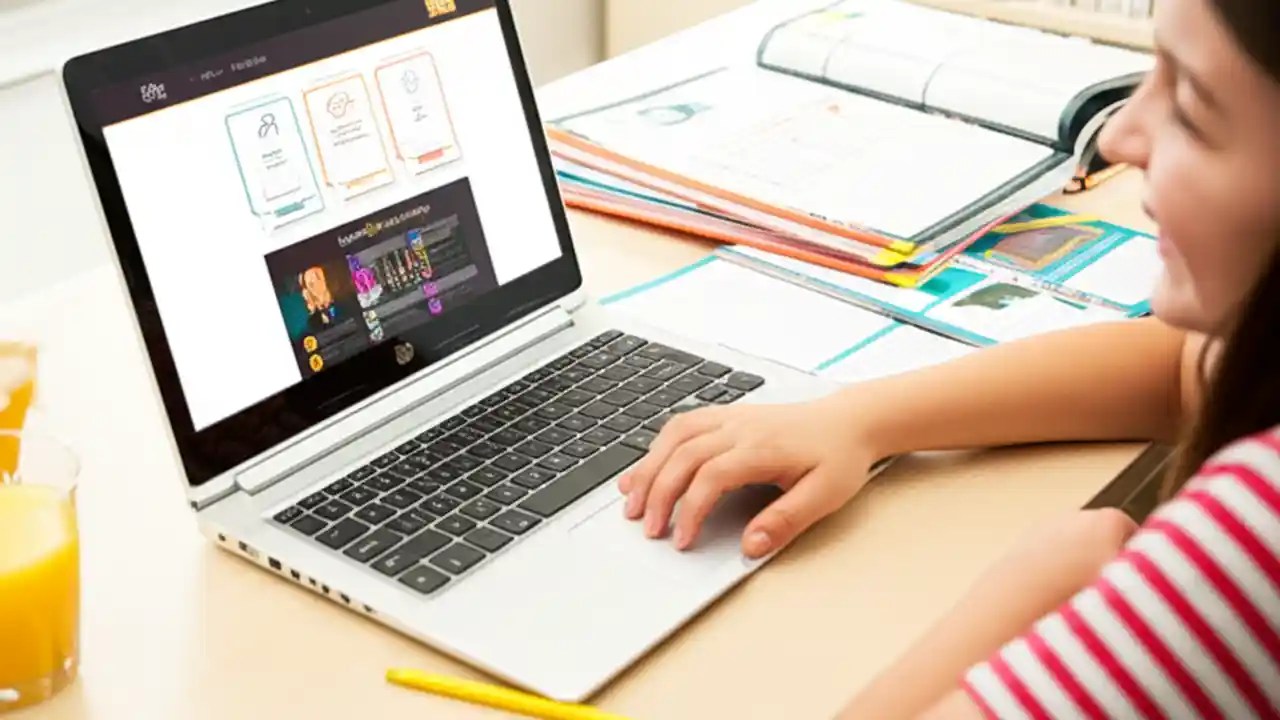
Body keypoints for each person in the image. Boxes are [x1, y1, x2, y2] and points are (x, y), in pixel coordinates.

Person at [617, 0, 1280, 715]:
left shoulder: (1256, 532)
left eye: (1190, 106)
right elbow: (1188, 367)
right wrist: (860, 419)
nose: (1118, 136)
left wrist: (1027, 592)